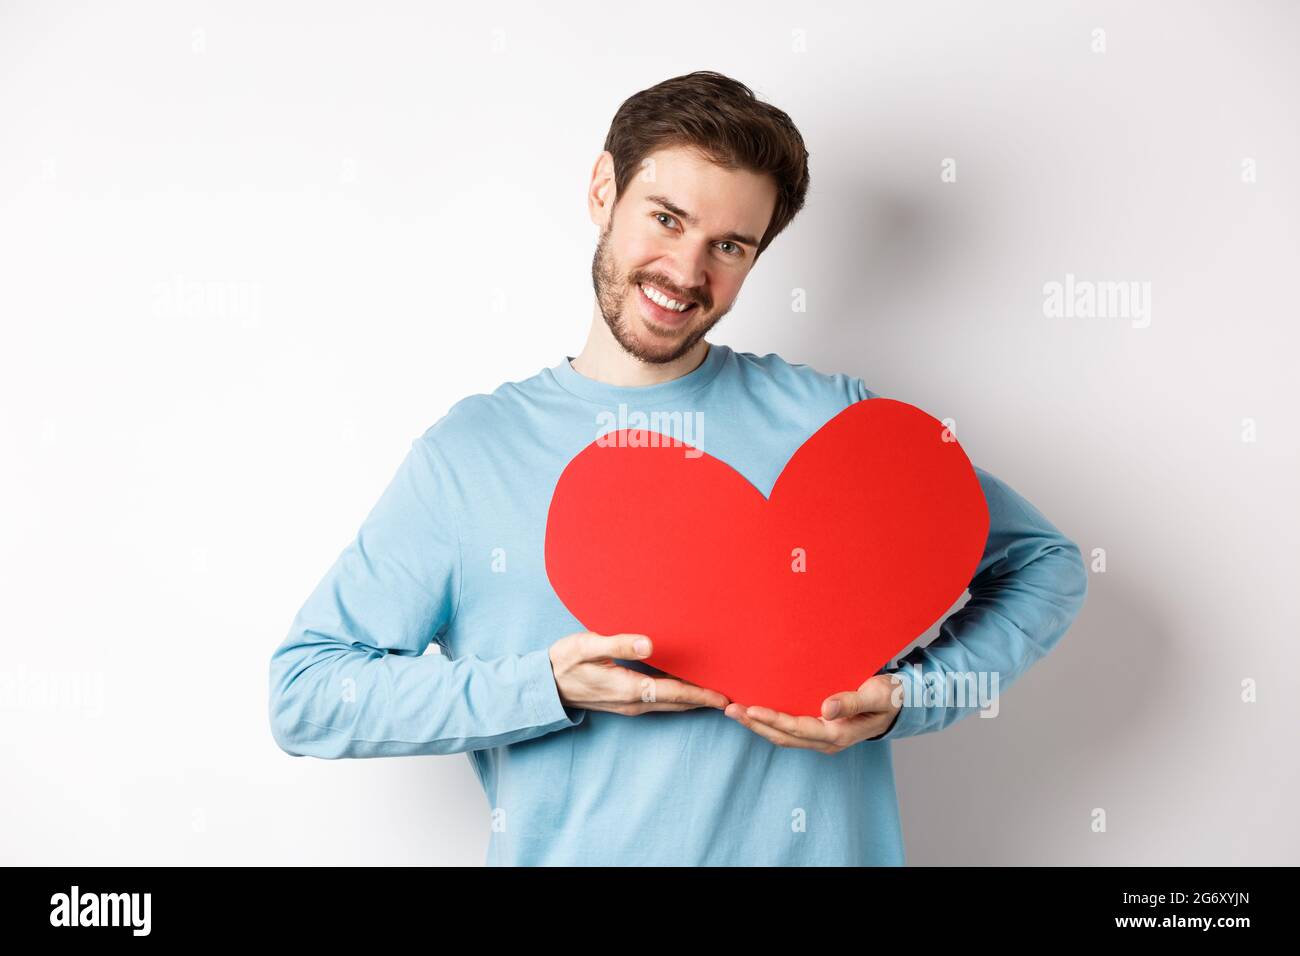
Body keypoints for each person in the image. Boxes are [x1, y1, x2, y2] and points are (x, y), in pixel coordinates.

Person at [267, 70, 1089, 865]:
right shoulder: (472, 453)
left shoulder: (834, 426)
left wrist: (910, 700)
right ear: (603, 190)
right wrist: (543, 687)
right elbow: (307, 693)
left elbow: (1044, 564)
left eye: (728, 245)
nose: (687, 273)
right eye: (666, 219)